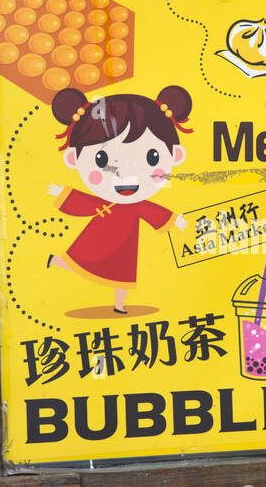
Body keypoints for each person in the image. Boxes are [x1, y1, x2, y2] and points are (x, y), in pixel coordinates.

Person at [48, 83, 192, 314]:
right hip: (98, 235)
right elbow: (86, 204)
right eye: (102, 159)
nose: (125, 175)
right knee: (81, 260)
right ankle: (55, 261)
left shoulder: (135, 205)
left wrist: (174, 220)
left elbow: (150, 211)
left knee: (123, 273)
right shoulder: (106, 202)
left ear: (175, 155)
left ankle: (118, 306)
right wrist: (63, 194)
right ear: (73, 159)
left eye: (152, 157)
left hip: (125, 242)